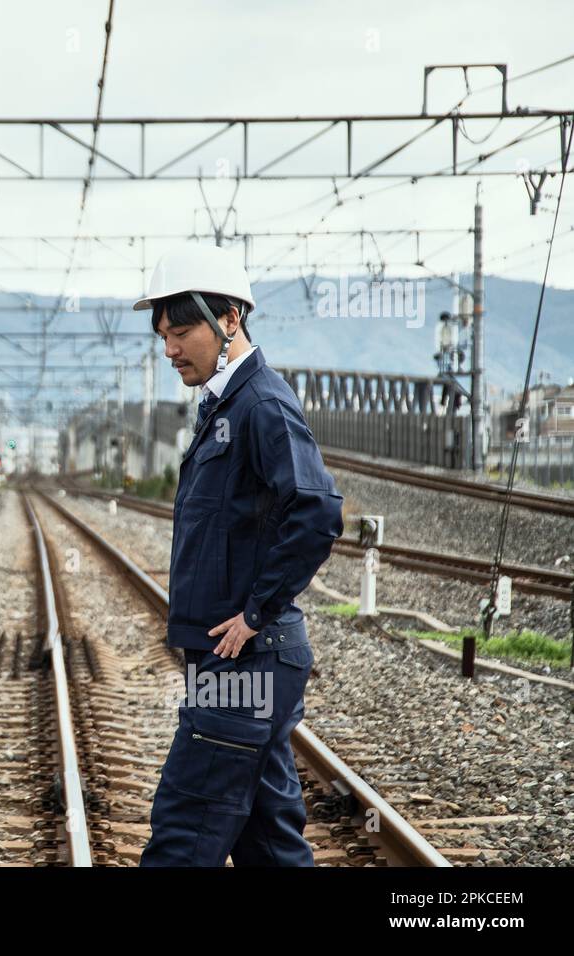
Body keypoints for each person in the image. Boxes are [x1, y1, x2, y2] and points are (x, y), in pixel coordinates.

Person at [133, 244, 344, 867]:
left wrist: (255, 612)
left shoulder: (261, 404)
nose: (169, 349)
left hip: (246, 663)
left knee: (182, 835)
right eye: (163, 335)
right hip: (238, 660)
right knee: (269, 845)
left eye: (181, 331)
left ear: (229, 319)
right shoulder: (226, 405)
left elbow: (317, 511)